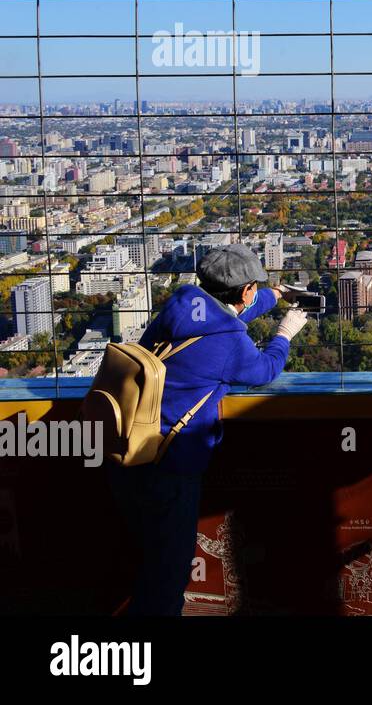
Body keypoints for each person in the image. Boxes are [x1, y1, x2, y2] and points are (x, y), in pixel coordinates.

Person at [108, 243, 311, 615]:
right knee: (167, 575)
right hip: (171, 461)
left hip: (127, 446)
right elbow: (263, 370)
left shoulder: (182, 301)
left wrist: (277, 294)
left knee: (146, 559)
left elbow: (224, 318)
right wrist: (285, 333)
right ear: (245, 291)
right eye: (254, 288)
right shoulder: (230, 345)